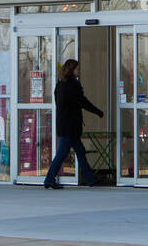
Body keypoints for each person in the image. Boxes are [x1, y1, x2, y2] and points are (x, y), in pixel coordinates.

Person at [43, 59, 105, 189]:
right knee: (62, 154)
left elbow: (60, 103)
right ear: (71, 70)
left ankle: (90, 178)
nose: (79, 71)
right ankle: (49, 178)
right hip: (70, 126)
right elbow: (83, 102)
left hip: (65, 125)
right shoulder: (72, 86)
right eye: (77, 69)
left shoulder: (60, 85)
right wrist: (98, 112)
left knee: (80, 152)